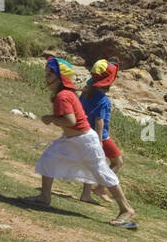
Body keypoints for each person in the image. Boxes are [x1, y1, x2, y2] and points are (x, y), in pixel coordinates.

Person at [26, 57, 136, 228]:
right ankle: (44, 197)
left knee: (103, 173)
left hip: (84, 141)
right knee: (48, 159)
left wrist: (51, 118)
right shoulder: (68, 94)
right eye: (46, 73)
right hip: (73, 140)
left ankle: (126, 209)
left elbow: (70, 121)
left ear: (60, 77)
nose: (46, 77)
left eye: (50, 74)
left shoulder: (63, 96)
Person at [79, 59, 123, 205]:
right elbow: (99, 121)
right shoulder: (103, 101)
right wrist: (98, 142)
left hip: (84, 133)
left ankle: (86, 193)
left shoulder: (85, 94)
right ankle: (100, 188)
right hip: (100, 137)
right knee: (117, 162)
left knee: (92, 164)